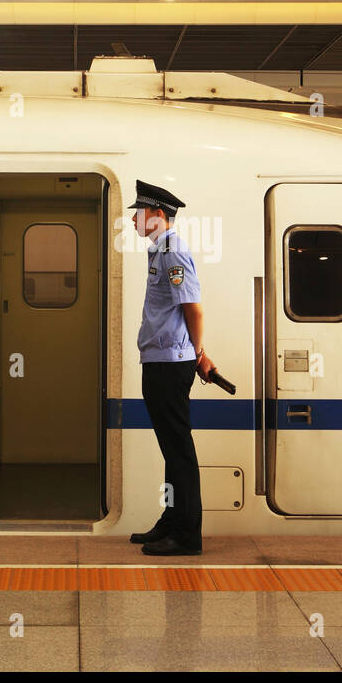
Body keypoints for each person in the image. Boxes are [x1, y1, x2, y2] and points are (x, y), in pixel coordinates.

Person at [127, 179, 216, 556]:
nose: (133, 220)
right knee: (171, 448)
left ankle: (186, 535)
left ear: (158, 215)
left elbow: (192, 307)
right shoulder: (160, 251)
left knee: (178, 450)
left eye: (139, 213)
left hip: (170, 363)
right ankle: (171, 519)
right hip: (161, 360)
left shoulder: (174, 253)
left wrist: (198, 353)